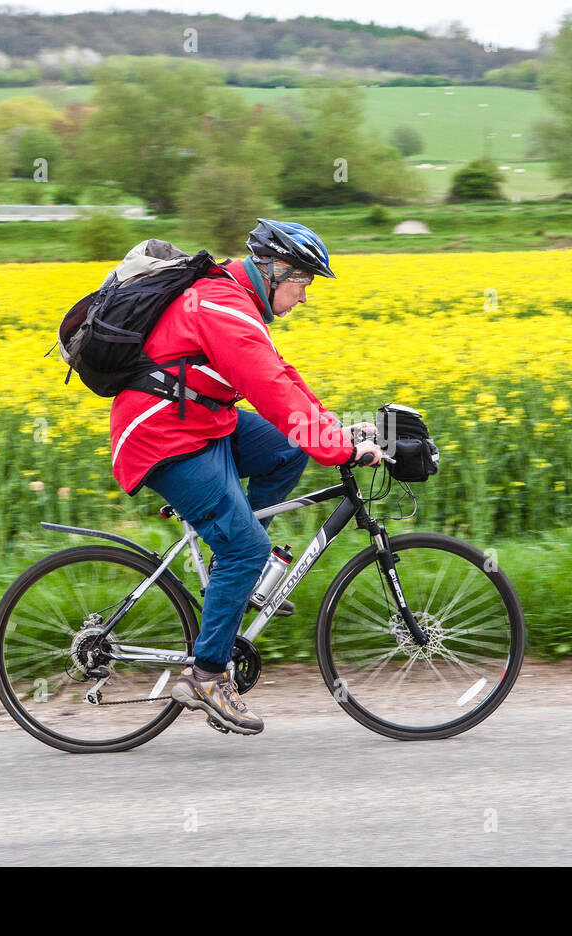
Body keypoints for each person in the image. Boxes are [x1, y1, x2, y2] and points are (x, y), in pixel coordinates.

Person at [109, 219, 383, 735]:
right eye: (303, 283)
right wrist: (341, 448)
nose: (304, 298)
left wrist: (333, 429)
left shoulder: (236, 301)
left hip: (201, 423)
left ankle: (234, 566)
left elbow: (283, 380)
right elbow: (272, 393)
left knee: (284, 452)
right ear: (276, 270)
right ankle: (207, 675)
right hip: (164, 437)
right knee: (246, 548)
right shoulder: (222, 306)